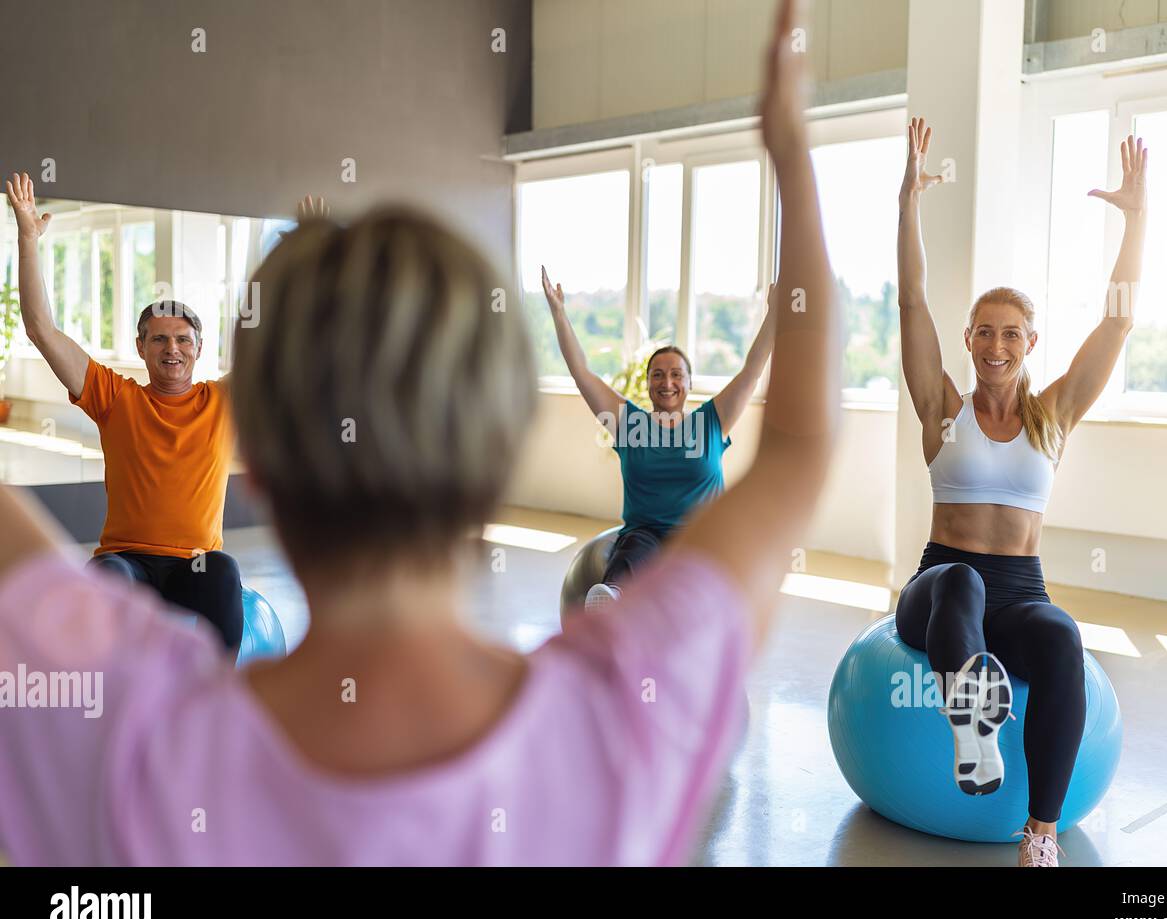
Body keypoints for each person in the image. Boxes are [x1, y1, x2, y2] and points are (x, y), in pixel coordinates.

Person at [0, 0, 839, 865]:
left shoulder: (132, 745)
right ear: (496, 460)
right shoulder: (616, 725)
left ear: (266, 475)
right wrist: (792, 158)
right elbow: (800, 457)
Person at [893, 117, 1148, 867]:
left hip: (1021, 591)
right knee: (963, 581)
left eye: (1011, 333)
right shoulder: (943, 409)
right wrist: (908, 200)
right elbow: (911, 302)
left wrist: (1137, 220)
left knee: (1061, 635)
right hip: (940, 591)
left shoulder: (1054, 415)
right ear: (967, 340)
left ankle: (1039, 835)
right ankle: (971, 723)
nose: (995, 346)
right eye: (982, 332)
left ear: (1030, 343)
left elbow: (1119, 318)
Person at [4, 172, 242, 651]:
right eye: (159, 339)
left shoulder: (224, 403)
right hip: (127, 562)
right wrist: (28, 239)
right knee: (105, 575)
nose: (171, 349)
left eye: (182, 340)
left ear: (198, 349)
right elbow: (42, 330)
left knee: (223, 570)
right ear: (141, 347)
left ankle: (216, 705)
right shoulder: (116, 397)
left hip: (195, 564)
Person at [542, 271, 777, 609]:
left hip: (700, 539)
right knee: (634, 549)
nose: (667, 382)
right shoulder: (629, 423)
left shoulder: (713, 419)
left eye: (676, 374)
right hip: (645, 536)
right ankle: (613, 601)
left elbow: (752, 369)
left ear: (689, 382)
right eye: (658, 374)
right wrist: (559, 313)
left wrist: (775, 312)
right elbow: (582, 372)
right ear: (649, 383)